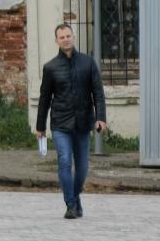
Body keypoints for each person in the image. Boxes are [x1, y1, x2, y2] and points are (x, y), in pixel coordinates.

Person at [36, 21, 107, 219]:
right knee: (65, 161)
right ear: (57, 41)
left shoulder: (88, 62)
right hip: (60, 123)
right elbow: (44, 98)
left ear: (73, 37)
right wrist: (40, 126)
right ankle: (70, 205)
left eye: (68, 36)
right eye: (62, 37)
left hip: (83, 122)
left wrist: (100, 117)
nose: (66, 39)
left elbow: (98, 93)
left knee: (82, 167)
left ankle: (75, 199)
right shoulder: (50, 67)